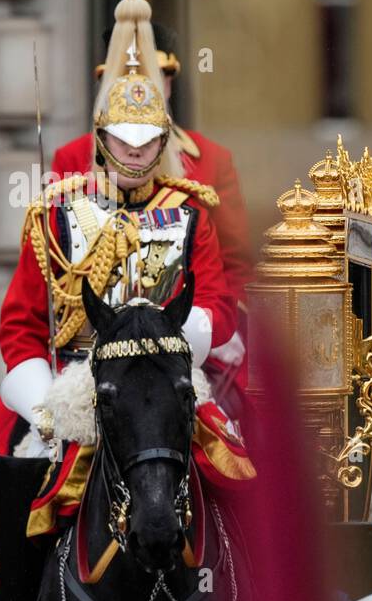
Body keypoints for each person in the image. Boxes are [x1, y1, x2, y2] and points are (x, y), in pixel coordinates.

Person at [0, 0, 253, 528]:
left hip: (167, 372)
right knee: (20, 487)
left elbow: (217, 297)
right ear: (101, 141)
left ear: (163, 142)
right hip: (79, 379)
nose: (135, 154)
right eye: (122, 142)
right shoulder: (55, 212)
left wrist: (185, 335)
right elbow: (22, 322)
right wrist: (42, 401)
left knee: (236, 476)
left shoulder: (191, 210)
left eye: (147, 143)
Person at [50, 19, 252, 381]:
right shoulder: (71, 162)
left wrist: (212, 331)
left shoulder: (209, 165)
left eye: (154, 78)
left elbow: (233, 265)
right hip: (83, 356)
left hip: (183, 344)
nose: (139, 90)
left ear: (169, 82)